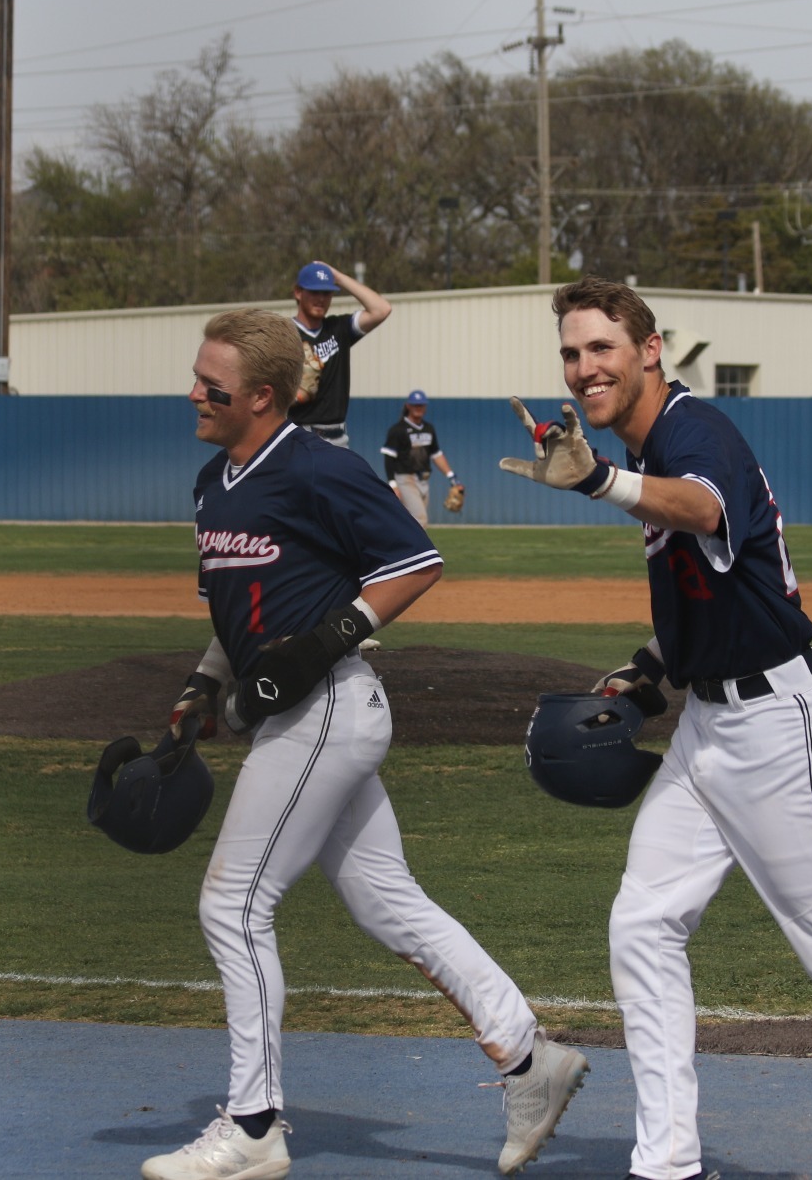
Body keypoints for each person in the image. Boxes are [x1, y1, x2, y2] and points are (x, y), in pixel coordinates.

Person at [497, 277, 812, 1180]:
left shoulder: (693, 432)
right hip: (711, 726)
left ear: (649, 349)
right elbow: (705, 597)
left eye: (601, 347)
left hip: (773, 724)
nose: (583, 369)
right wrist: (646, 677)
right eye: (571, 353)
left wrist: (603, 479)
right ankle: (667, 1162)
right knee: (642, 924)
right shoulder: (656, 445)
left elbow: (706, 508)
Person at [143, 309, 587, 1180]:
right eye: (197, 376)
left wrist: (323, 640)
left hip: (330, 708)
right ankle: (531, 1059)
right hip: (297, 716)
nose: (195, 392)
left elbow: (414, 561)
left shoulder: (318, 467)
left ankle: (255, 1125)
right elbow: (236, 615)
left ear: (262, 395)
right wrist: (203, 685)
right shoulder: (212, 482)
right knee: (387, 900)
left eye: (213, 382)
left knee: (232, 905)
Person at [285, 260, 391, 447]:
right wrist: (292, 395)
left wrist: (338, 277)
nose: (321, 298)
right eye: (314, 291)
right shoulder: (285, 333)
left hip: (338, 437)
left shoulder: (338, 328)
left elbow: (381, 309)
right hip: (300, 434)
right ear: (298, 292)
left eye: (327, 292)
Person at [381, 389, 463, 526]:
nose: (418, 408)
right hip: (405, 479)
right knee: (420, 519)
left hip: (424, 480)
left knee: (412, 522)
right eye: (415, 405)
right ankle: (418, 548)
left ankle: (404, 546)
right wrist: (393, 484)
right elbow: (388, 458)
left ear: (425, 407)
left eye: (421, 405)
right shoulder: (398, 430)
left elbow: (436, 454)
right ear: (408, 406)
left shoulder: (428, 429)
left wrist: (451, 476)